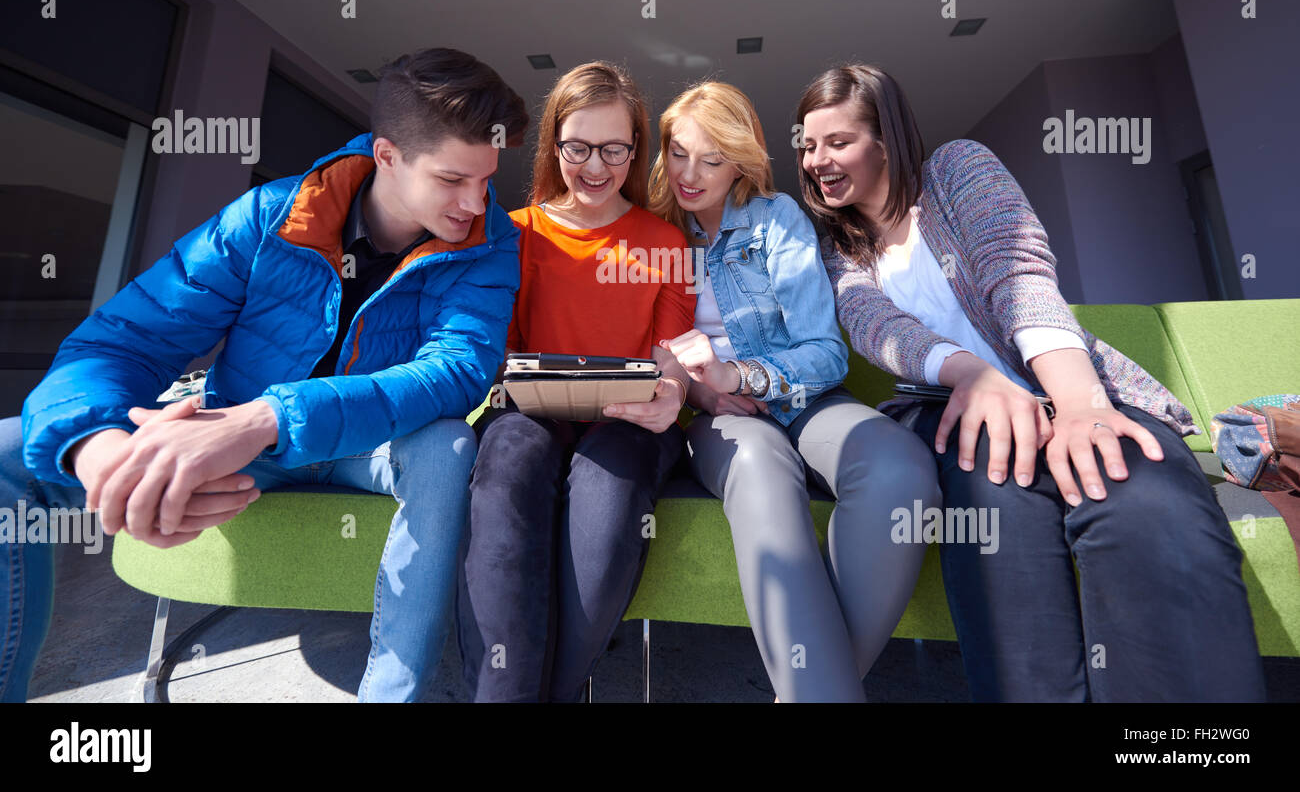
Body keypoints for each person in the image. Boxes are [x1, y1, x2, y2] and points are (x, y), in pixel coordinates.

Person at [3, 47, 528, 702]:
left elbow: (455, 372)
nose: (475, 201)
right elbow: (122, 340)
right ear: (388, 155)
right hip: (246, 446)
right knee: (4, 451)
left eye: (486, 179)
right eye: (453, 178)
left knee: (450, 444)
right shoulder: (266, 218)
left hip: (362, 447)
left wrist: (267, 417)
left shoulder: (492, 241)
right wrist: (99, 447)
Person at [799, 62, 1266, 701]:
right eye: (806, 144)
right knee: (998, 526)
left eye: (837, 142)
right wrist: (975, 377)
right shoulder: (838, 246)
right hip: (956, 410)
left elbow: (1016, 272)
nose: (816, 159)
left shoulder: (955, 170)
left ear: (887, 139)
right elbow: (874, 324)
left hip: (1067, 380)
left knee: (1143, 505)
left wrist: (1078, 402)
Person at [651, 81, 939, 702]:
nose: (690, 175)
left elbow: (826, 352)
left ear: (742, 160)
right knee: (759, 465)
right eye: (678, 153)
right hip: (715, 419)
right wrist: (703, 393)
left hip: (802, 399)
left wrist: (743, 374)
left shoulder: (775, 217)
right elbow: (647, 350)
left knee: (901, 470)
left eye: (712, 158)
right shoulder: (649, 234)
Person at [456, 61, 695, 702]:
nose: (596, 167)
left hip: (631, 419)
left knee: (607, 490)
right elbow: (495, 345)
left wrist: (671, 391)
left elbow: (670, 353)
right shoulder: (514, 230)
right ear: (554, 144)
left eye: (614, 149)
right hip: (533, 411)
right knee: (508, 464)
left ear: (636, 149)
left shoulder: (665, 241)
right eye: (579, 147)